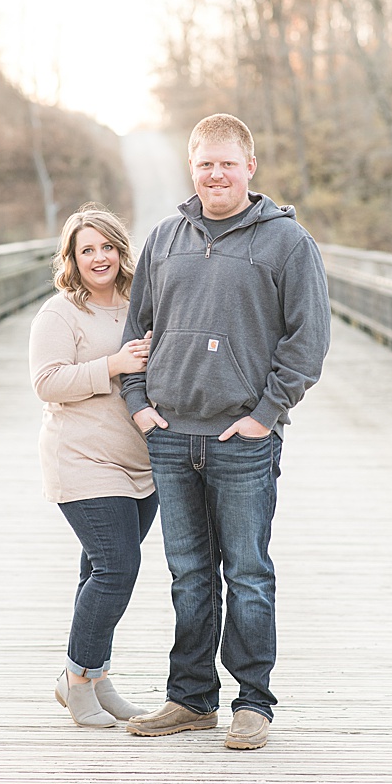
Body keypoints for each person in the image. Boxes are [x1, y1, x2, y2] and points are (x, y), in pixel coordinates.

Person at [120, 113, 331, 751]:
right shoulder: (164, 238)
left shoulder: (287, 243)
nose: (216, 174)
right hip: (170, 434)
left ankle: (253, 702)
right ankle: (190, 699)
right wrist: (139, 403)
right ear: (193, 168)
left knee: (247, 574)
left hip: (244, 438)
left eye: (227, 163)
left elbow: (308, 341)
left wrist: (266, 414)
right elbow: (137, 330)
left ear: (250, 167)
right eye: (205, 163)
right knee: (188, 575)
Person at [28, 204, 157, 728]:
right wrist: (113, 365)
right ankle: (78, 680)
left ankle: (96, 677)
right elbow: (46, 382)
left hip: (140, 462)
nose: (99, 257)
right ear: (72, 258)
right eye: (87, 250)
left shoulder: (140, 305)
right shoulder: (59, 313)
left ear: (121, 252)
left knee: (98, 572)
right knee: (117, 568)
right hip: (82, 458)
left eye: (107, 247)